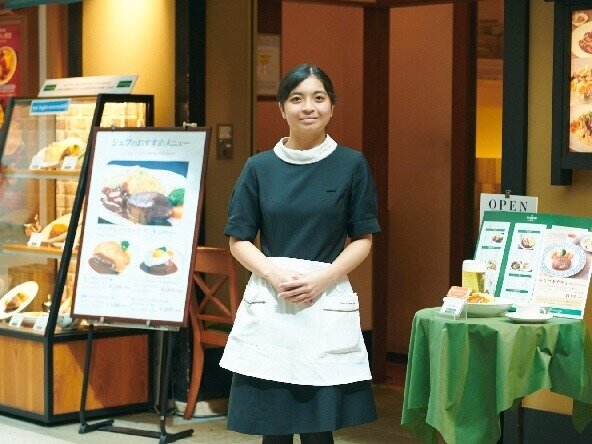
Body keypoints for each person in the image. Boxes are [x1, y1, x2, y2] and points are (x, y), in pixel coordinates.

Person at [220, 63, 381, 444]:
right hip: (272, 302)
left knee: (318, 430)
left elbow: (363, 238)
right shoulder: (259, 167)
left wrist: (323, 279)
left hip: (323, 301)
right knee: (273, 429)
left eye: (318, 98)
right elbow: (238, 239)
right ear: (282, 109)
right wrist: (273, 274)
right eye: (296, 99)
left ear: (332, 107)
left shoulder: (351, 165)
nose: (308, 107)